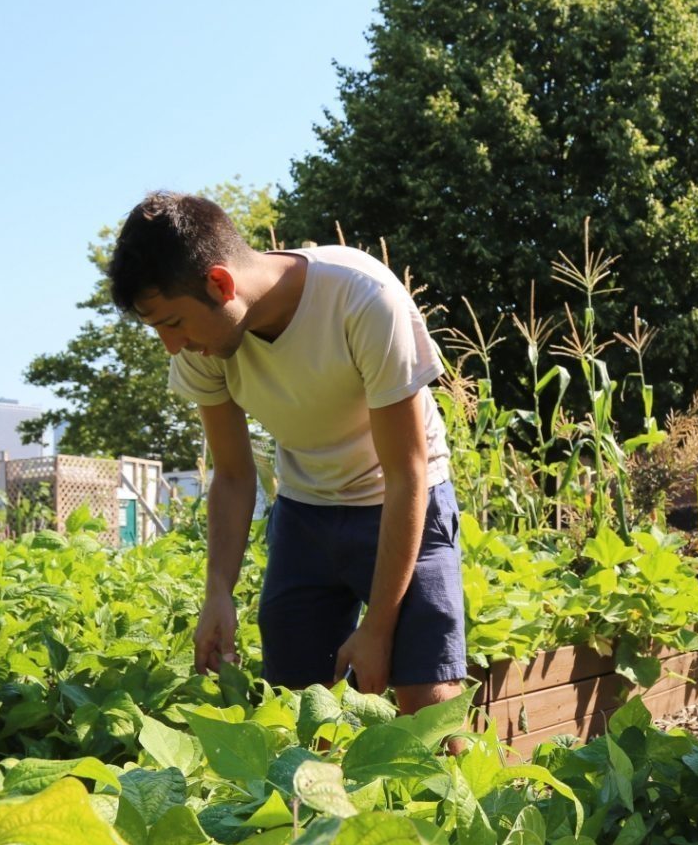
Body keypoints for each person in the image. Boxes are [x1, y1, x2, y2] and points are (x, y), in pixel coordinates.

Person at [109, 192, 465, 716]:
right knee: (298, 714)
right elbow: (232, 475)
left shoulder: (364, 299)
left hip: (402, 505)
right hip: (305, 516)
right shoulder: (205, 346)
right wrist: (218, 592)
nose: (171, 344)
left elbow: (406, 475)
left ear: (220, 284)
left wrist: (379, 629)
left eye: (172, 322)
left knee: (430, 712)